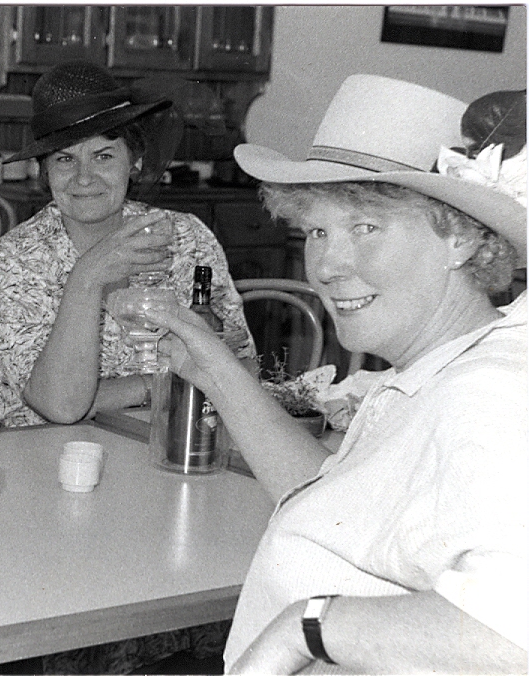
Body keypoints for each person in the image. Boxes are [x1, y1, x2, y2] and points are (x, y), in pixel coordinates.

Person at [145, 75, 527, 673]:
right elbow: (332, 505)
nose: (326, 264)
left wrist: (307, 629)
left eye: (364, 228)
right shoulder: (436, 370)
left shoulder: (489, 392)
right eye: (316, 231)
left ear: (458, 238)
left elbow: (513, 632)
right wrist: (210, 363)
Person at [0, 60, 256, 429]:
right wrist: (87, 277)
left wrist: (123, 391)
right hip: (31, 450)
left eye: (103, 156)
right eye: (65, 159)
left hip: (156, 439)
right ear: (45, 171)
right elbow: (62, 406)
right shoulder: (12, 262)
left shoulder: (186, 239)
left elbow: (241, 366)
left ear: (134, 161)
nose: (84, 177)